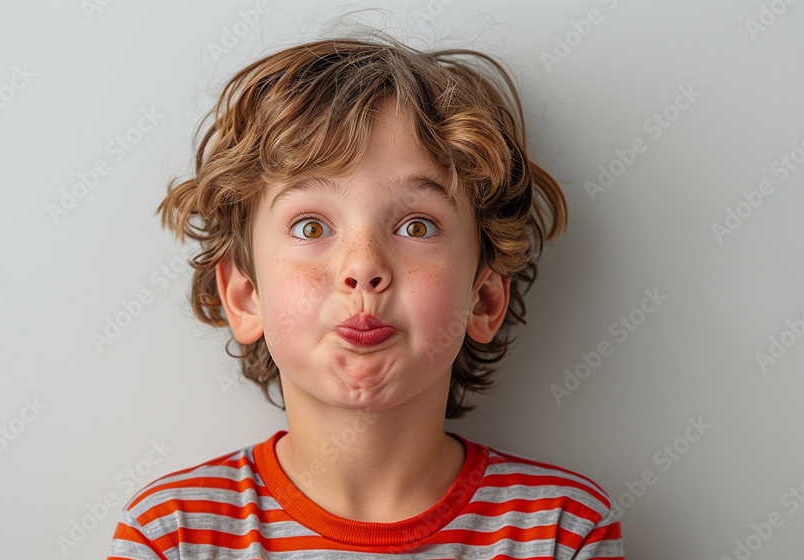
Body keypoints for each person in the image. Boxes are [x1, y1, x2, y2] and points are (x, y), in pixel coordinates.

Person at [107, 30, 624, 560]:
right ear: (244, 297)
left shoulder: (562, 531)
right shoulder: (172, 535)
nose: (363, 267)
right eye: (310, 227)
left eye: (418, 227)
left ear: (484, 299)